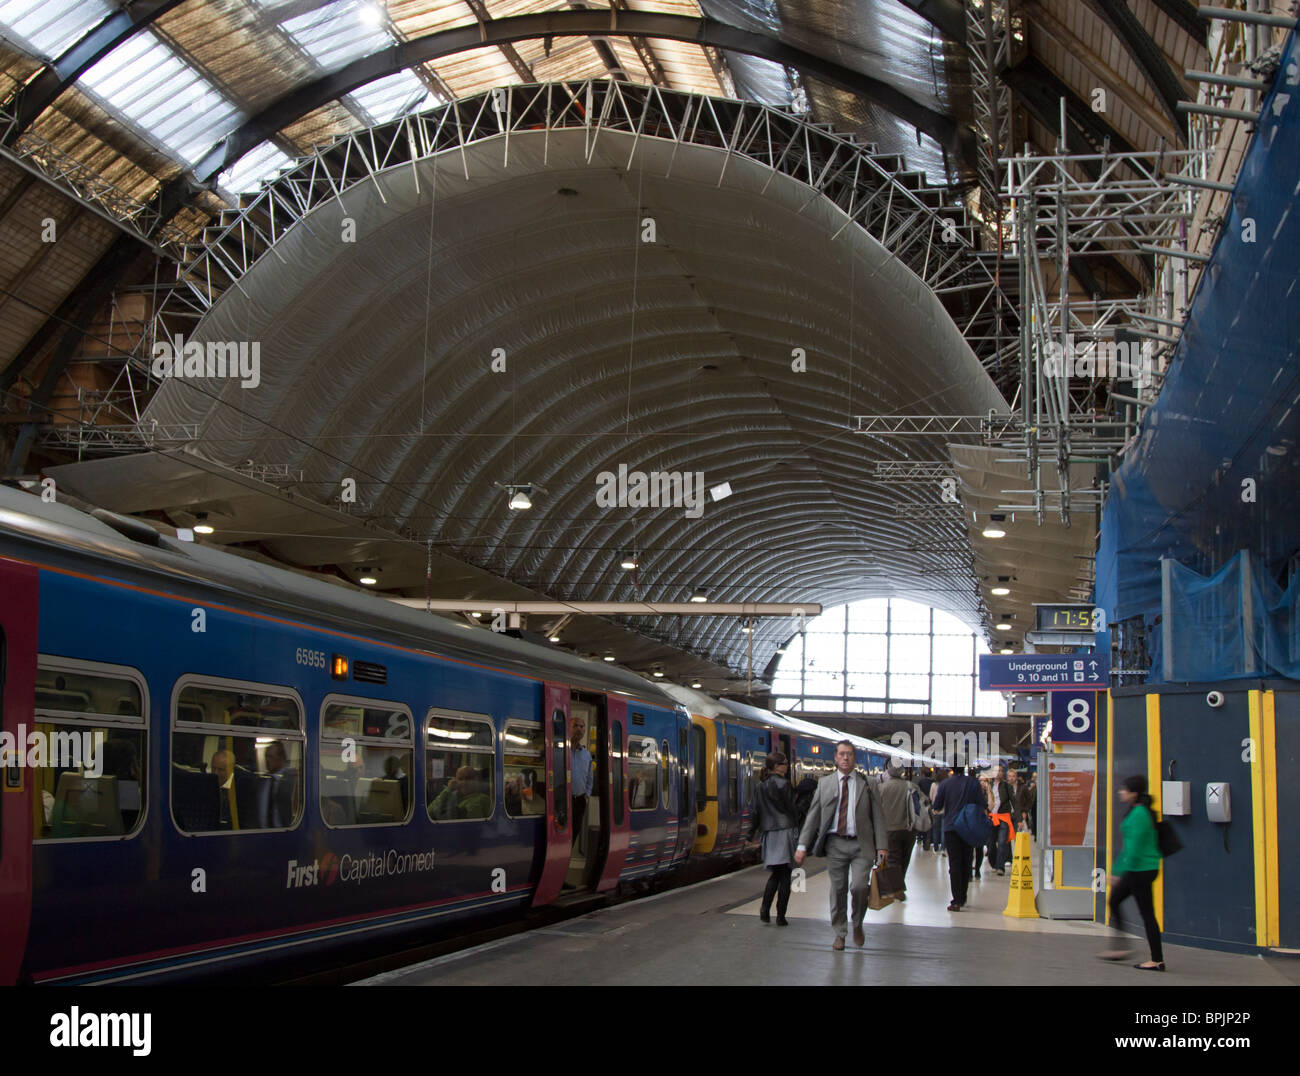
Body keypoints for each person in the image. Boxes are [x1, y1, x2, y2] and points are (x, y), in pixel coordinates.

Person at [794, 740, 888, 950]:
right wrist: (802, 846)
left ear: (854, 758)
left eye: (850, 754)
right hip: (835, 844)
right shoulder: (825, 784)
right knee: (838, 889)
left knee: (859, 887)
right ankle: (840, 933)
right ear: (835, 758)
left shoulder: (868, 783)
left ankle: (858, 923)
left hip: (862, 845)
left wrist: (882, 846)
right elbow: (813, 815)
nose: (846, 758)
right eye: (842, 754)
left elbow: (879, 817)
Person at [1098, 775, 1165, 970]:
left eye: (1124, 789)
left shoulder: (1139, 815)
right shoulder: (1138, 811)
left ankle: (1156, 959)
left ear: (1134, 793)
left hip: (1140, 869)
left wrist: (1118, 872)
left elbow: (1133, 848)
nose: (1120, 792)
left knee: (1146, 913)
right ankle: (1123, 948)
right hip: (1141, 868)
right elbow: (1130, 848)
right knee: (1116, 901)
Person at [931, 764, 988, 911]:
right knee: (967, 860)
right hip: (968, 826)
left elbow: (937, 805)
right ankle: (963, 895)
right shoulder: (973, 783)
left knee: (954, 863)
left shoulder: (945, 784)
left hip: (951, 827)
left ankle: (956, 900)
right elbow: (982, 803)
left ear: (951, 768)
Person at [751, 751, 798, 925]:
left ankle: (765, 909)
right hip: (784, 831)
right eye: (785, 763)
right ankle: (780, 916)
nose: (787, 766)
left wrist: (751, 833)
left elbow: (756, 811)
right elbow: (791, 809)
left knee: (776, 874)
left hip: (769, 833)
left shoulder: (760, 786)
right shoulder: (784, 784)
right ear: (776, 766)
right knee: (785, 874)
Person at [877, 763, 918, 899]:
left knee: (893, 859)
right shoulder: (911, 786)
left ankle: (897, 888)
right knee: (905, 858)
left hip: (890, 829)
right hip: (909, 829)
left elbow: (876, 810)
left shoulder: (882, 788)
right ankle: (898, 885)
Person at [570, 720, 593, 851]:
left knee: (575, 831)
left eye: (582, 726)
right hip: (562, 800)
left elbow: (590, 778)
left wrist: (587, 795)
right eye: (575, 726)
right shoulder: (559, 749)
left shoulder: (586, 754)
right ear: (568, 727)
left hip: (579, 800)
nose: (579, 729)